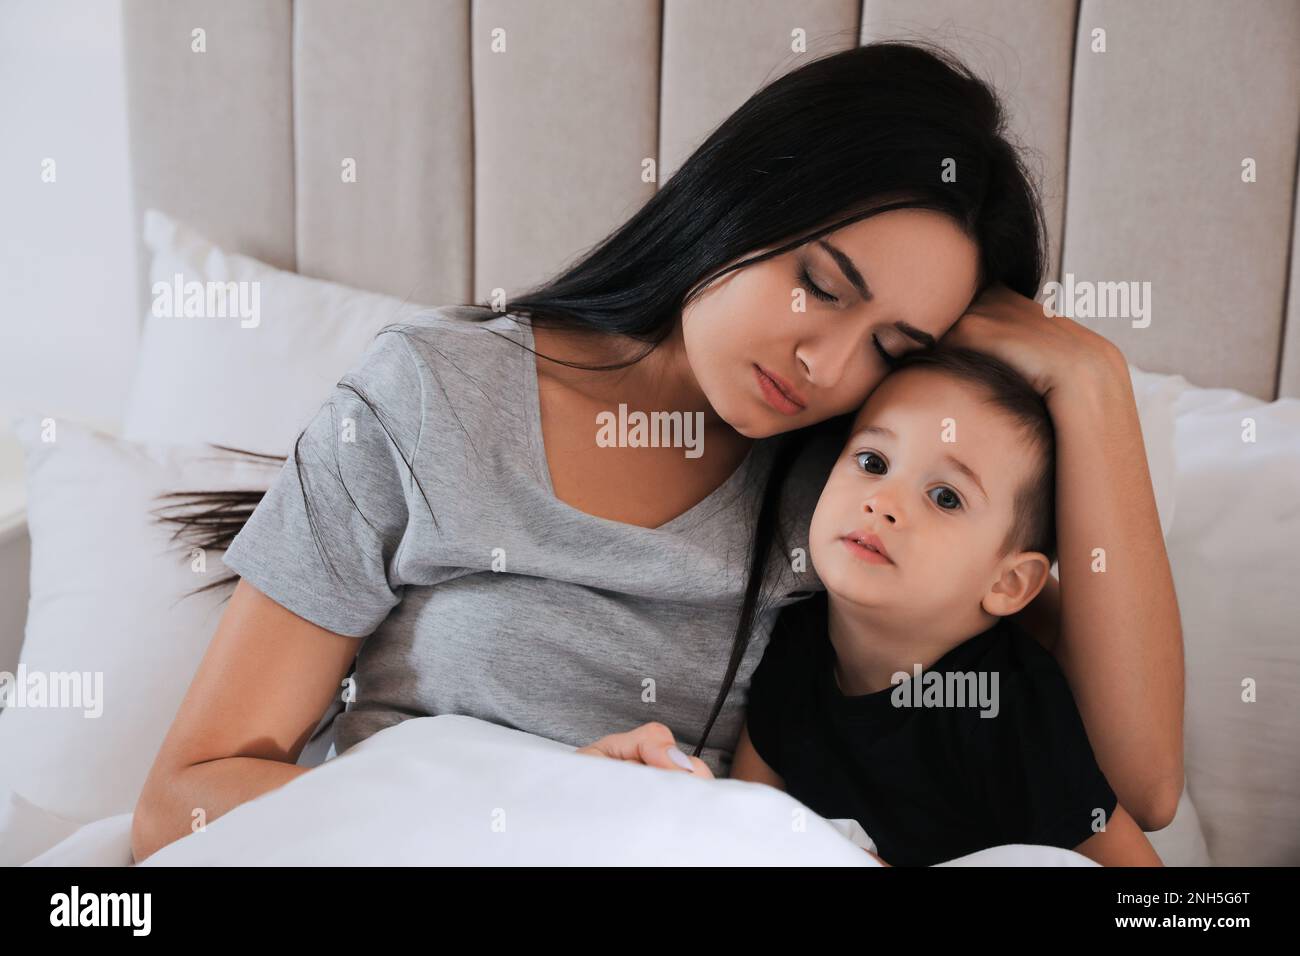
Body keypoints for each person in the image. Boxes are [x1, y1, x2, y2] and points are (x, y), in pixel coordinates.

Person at [131, 42, 1183, 863]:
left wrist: (1092, 386)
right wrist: (531, 816)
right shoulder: (432, 393)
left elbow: (1138, 782)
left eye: (892, 345)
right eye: (820, 282)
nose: (826, 363)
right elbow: (181, 802)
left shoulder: (865, 487)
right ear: (741, 196)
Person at [732, 346, 1160, 866]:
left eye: (946, 497)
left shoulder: (1004, 710)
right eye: (873, 462)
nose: (883, 503)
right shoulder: (796, 641)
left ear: (1008, 583)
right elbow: (743, 822)